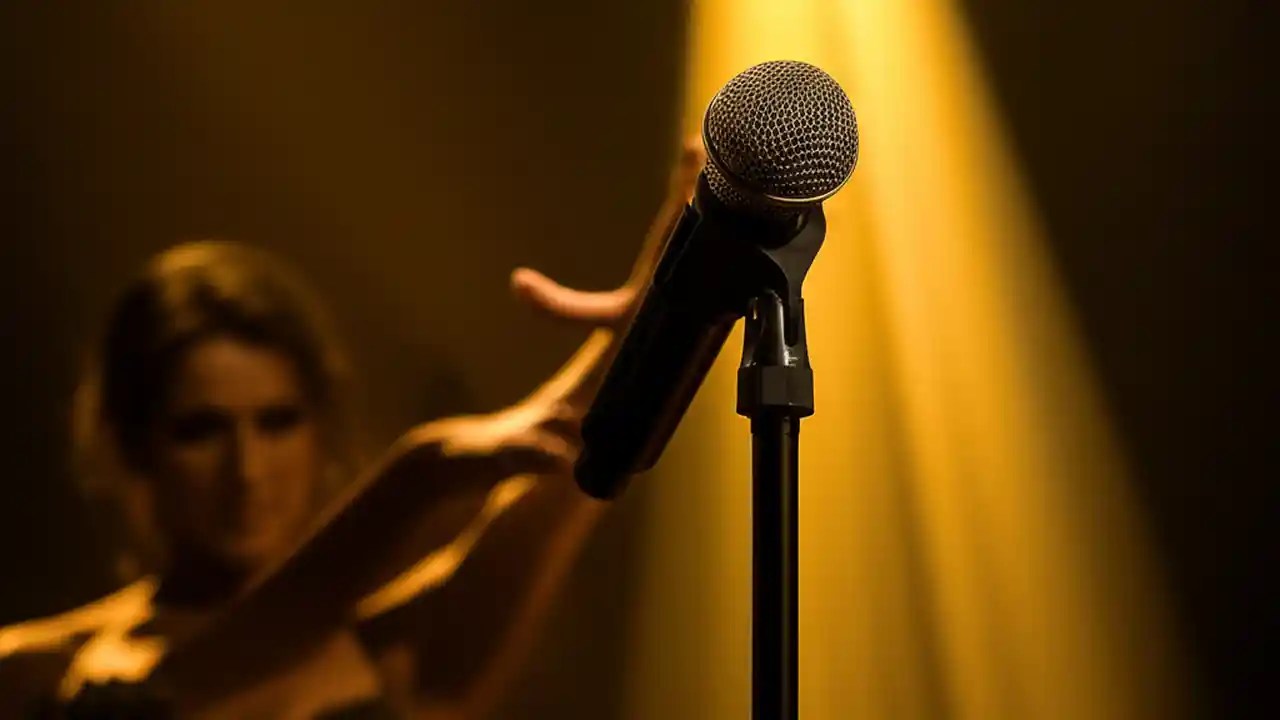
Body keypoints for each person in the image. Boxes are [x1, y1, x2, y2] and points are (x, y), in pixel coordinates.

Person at [0, 140, 706, 719]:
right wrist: (416, 475)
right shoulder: (42, 671)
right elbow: (170, 690)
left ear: (320, 429)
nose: (247, 471)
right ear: (131, 445)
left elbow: (574, 451)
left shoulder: (392, 646)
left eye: (277, 423)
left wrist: (668, 303)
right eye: (200, 431)